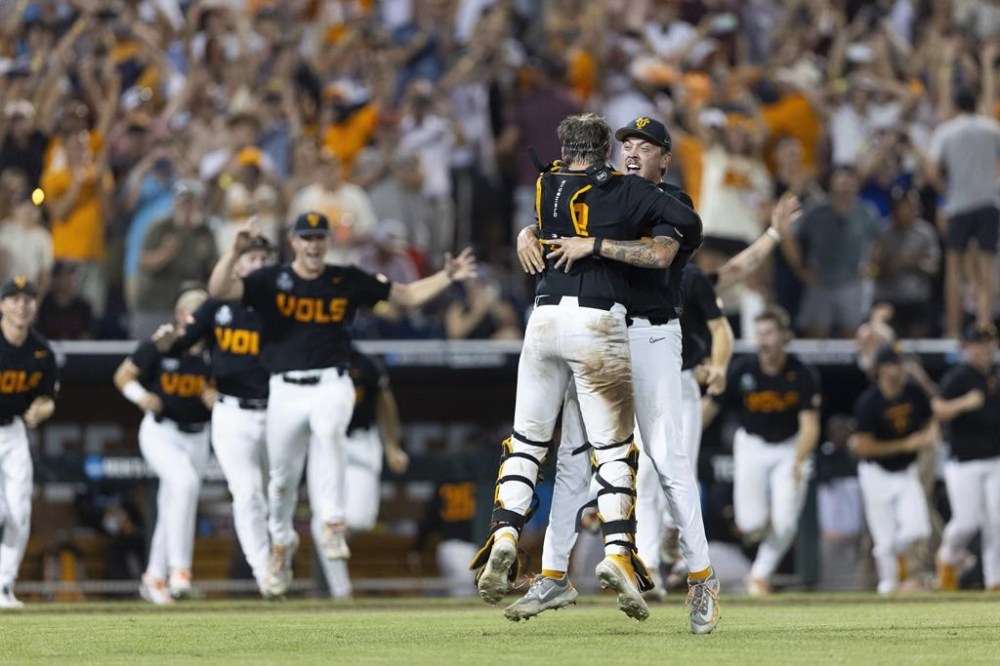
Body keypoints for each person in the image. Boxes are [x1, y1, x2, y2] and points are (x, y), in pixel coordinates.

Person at [471, 113, 701, 623]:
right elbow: (686, 227)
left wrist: (565, 235)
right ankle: (605, 557)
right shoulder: (622, 191)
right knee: (603, 453)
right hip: (603, 327)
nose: (633, 152)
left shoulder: (548, 183)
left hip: (577, 323)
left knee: (534, 442)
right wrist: (535, 233)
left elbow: (669, 242)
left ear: (663, 156)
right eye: (627, 145)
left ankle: (505, 531)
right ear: (609, 151)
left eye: (645, 145)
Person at [207, 211, 476, 597]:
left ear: (327, 242)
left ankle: (332, 522)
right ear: (294, 243)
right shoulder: (273, 279)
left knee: (331, 429)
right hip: (284, 389)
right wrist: (234, 251)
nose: (313, 245)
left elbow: (406, 295)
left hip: (332, 380)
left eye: (319, 237)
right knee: (281, 481)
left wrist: (447, 276)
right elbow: (220, 290)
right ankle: (280, 543)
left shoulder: (345, 278)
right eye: (306, 238)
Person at [153, 237, 275, 596]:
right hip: (232, 411)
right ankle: (265, 571)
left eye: (262, 259)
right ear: (236, 265)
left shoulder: (282, 306)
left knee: (279, 493)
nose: (257, 265)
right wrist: (166, 341)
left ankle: (278, 547)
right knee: (247, 492)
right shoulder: (217, 306)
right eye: (250, 258)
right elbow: (180, 341)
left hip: (277, 411)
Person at [703, 306, 821, 595]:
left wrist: (799, 460)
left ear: (784, 336)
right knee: (751, 523)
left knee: (786, 522)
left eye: (769, 333)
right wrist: (683, 436)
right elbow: (710, 408)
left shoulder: (801, 373)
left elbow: (810, 425)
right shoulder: (742, 368)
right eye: (759, 334)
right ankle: (764, 513)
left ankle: (759, 575)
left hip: (789, 447)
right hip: (752, 445)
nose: (763, 341)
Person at [113, 288, 214, 605]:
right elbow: (123, 376)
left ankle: (153, 577)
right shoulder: (163, 342)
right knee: (183, 484)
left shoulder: (215, 349)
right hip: (161, 432)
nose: (199, 318)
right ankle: (180, 571)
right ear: (180, 315)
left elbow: (216, 393)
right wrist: (141, 397)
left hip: (198, 435)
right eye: (193, 311)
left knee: (176, 501)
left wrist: (216, 400)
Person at [313, 347, 409, 599]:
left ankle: (335, 532)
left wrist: (391, 444)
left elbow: (384, 401)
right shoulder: (314, 359)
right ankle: (341, 591)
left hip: (360, 440)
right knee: (321, 521)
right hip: (323, 442)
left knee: (361, 520)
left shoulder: (365, 363)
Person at [850, 344, 936, 594]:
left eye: (901, 363)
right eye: (894, 364)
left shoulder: (914, 393)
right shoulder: (869, 402)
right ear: (880, 369)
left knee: (919, 529)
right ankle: (888, 587)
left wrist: (930, 435)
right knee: (884, 541)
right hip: (876, 474)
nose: (900, 369)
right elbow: (864, 447)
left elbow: (930, 422)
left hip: (906, 471)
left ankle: (908, 577)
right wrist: (906, 444)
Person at [0, 277, 58, 609]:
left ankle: (4, 585)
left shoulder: (40, 350)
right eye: (15, 298)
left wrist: (41, 410)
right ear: (3, 305)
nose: (22, 305)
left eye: (28, 299)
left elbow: (47, 398)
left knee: (19, 510)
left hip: (13, 431)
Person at [925, 87, 1000, 337]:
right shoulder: (992, 128)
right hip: (988, 204)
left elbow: (932, 169)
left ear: (955, 105)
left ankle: (953, 329)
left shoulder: (946, 131)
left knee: (954, 270)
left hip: (959, 206)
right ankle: (984, 325)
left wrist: (945, 191)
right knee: (987, 270)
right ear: (976, 103)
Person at [932, 325, 1000, 591]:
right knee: (968, 522)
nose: (984, 348)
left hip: (995, 459)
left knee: (997, 521)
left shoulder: (996, 374)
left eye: (988, 342)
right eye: (978, 343)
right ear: (967, 347)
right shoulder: (958, 377)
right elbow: (938, 409)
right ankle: (948, 556)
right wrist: (964, 403)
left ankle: (995, 581)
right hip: (964, 461)